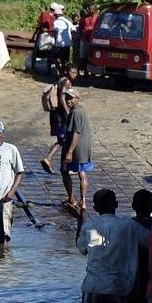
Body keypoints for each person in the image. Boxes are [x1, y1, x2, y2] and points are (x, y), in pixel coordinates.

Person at [76, 189, 149, 303]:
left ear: (95, 208)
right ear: (116, 204)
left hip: (91, 289)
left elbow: (82, 249)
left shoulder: (88, 226)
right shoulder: (130, 226)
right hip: (117, 288)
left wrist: (79, 220)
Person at [61, 88, 93, 216]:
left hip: (75, 147)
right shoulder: (80, 110)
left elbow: (76, 133)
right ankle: (83, 202)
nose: (68, 100)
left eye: (71, 98)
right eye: (67, 98)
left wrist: (70, 151)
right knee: (82, 172)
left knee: (64, 171)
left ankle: (72, 199)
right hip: (84, 147)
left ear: (77, 99)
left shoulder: (75, 113)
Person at [41, 64, 77, 174]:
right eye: (72, 72)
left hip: (56, 114)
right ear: (67, 71)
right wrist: (68, 113)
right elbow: (61, 97)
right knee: (67, 139)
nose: (74, 75)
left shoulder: (60, 79)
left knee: (62, 140)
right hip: (60, 116)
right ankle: (68, 166)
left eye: (76, 73)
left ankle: (48, 158)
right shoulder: (66, 81)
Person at [0, 120, 25, 249]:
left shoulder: (11, 149)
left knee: (4, 235)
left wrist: (12, 192)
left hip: (4, 199)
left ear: (1, 134)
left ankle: (4, 266)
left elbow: (20, 172)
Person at [52, 4, 75, 75]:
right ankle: (64, 72)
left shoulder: (56, 22)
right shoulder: (68, 21)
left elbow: (54, 32)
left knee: (53, 57)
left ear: (56, 15)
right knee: (64, 60)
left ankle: (60, 71)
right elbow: (74, 29)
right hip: (67, 44)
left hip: (59, 44)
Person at [78, 4, 99, 69]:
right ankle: (84, 71)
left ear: (94, 9)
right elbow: (80, 27)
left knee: (91, 56)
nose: (89, 10)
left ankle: (92, 71)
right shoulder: (84, 17)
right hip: (84, 39)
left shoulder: (98, 17)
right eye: (89, 9)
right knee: (83, 57)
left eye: (91, 8)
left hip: (93, 40)